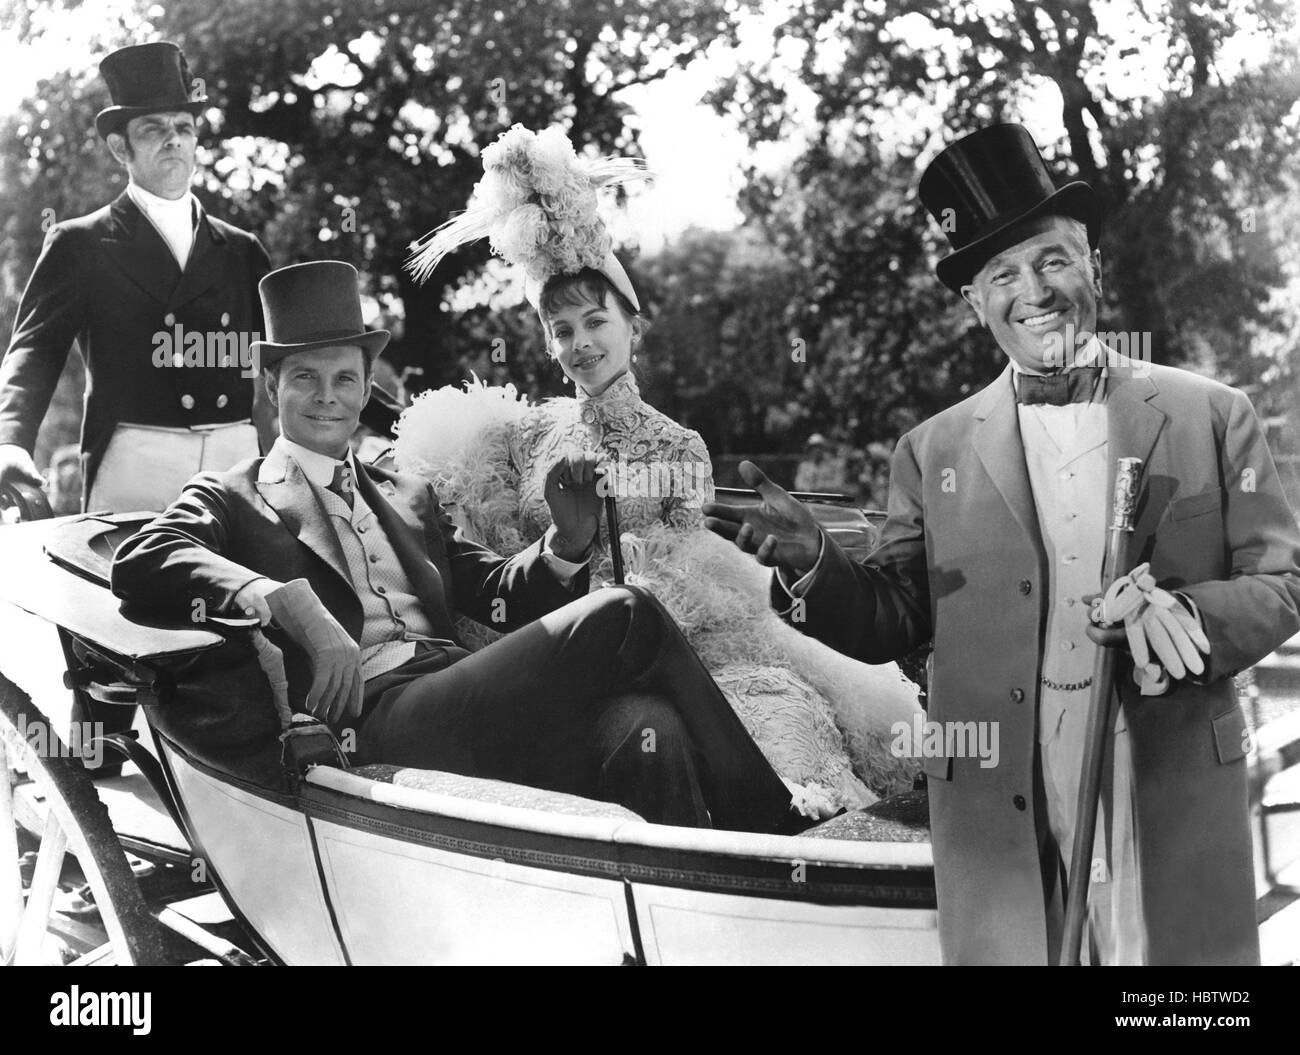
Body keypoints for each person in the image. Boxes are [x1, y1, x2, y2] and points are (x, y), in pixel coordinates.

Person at [704, 123, 1300, 964]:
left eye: (1053, 260)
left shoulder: (1212, 413)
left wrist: (1186, 613)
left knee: (1182, 1012)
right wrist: (816, 564)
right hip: (1000, 796)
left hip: (1164, 775)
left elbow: (1283, 581)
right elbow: (897, 613)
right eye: (1003, 274)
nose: (1036, 292)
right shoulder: (933, 451)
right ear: (974, 301)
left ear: (1093, 261)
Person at [111, 260, 800, 834]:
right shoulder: (231, 492)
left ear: (363, 390)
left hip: (464, 695)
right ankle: (775, 823)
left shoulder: (408, 492)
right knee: (627, 609)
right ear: (271, 388)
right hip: (373, 719)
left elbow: (500, 597)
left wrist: (565, 540)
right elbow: (142, 558)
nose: (328, 397)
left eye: (345, 378)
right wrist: (282, 599)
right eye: (305, 378)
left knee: (647, 726)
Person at [398, 125, 921, 815]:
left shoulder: (680, 446)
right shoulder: (524, 435)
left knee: (763, 725)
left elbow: (693, 582)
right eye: (563, 331)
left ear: (633, 328)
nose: (581, 343)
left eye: (596, 322)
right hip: (558, 659)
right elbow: (494, 569)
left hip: (682, 655)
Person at [0, 41, 276, 512]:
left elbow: (301, 347)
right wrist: (10, 440)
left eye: (183, 128)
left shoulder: (241, 247)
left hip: (236, 460)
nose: (173, 139)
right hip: (134, 460)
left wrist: (406, 424)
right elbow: (35, 350)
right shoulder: (78, 242)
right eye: (153, 128)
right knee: (126, 586)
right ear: (118, 146)